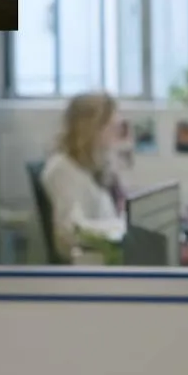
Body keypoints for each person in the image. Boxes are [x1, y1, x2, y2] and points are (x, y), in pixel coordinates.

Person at [40, 92, 127, 262]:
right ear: (91, 128)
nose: (117, 132)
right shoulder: (61, 170)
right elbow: (69, 233)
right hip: (89, 264)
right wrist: (115, 230)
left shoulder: (93, 164)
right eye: (111, 126)